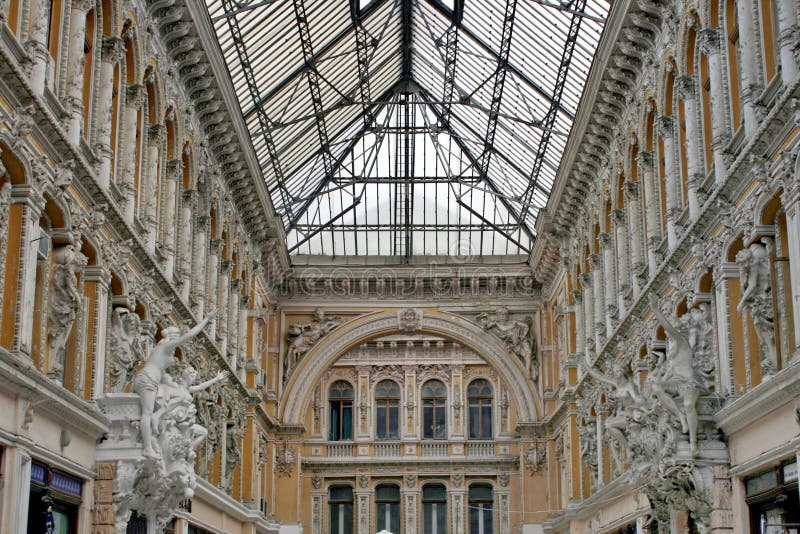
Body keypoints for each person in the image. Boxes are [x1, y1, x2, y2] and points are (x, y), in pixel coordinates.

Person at [132, 310, 216, 458]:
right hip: (148, 379)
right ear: (171, 337)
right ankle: (147, 447)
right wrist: (206, 320)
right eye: (177, 336)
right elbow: (189, 335)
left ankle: (158, 417)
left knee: (182, 397)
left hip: (148, 379)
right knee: (146, 413)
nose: (178, 340)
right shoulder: (166, 345)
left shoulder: (161, 352)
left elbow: (166, 380)